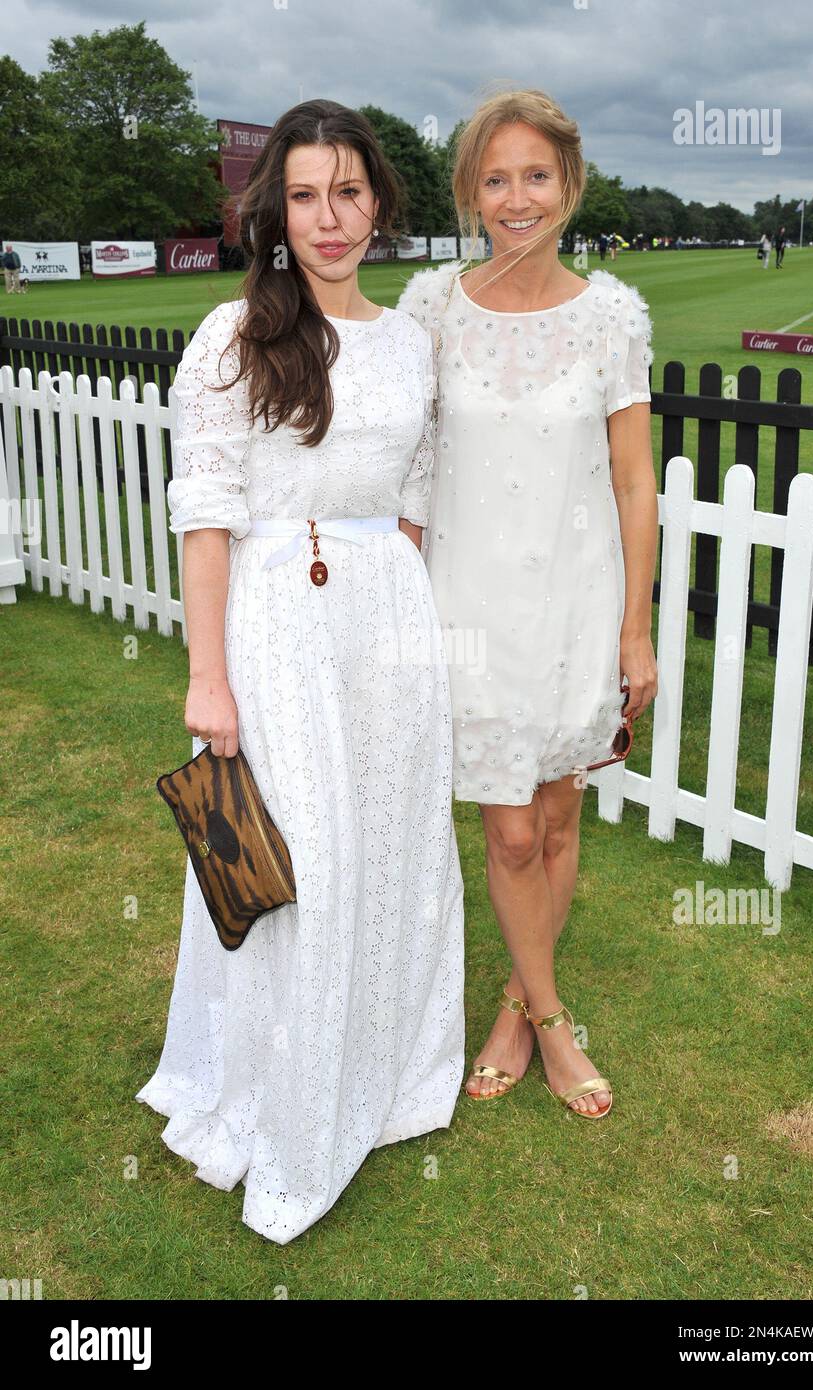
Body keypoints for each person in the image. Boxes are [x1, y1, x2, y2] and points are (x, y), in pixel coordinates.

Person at [136, 100, 465, 1245]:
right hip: (277, 630)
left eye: (352, 192)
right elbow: (208, 520)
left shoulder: (414, 340)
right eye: (307, 195)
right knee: (300, 865)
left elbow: (416, 500)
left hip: (386, 625)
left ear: (381, 202)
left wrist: (392, 621)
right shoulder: (232, 338)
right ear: (274, 209)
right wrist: (208, 678)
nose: (331, 219)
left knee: (391, 844)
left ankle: (389, 1071)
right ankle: (283, 1093)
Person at [397, 89, 658, 1118]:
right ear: (471, 192)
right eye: (495, 177)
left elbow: (634, 481)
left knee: (557, 816)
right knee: (509, 833)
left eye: (535, 175)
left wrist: (636, 628)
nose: (517, 197)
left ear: (570, 185)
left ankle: (513, 998)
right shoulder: (430, 308)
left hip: (578, 606)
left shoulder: (612, 316)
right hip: (468, 612)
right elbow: (411, 465)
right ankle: (555, 1022)